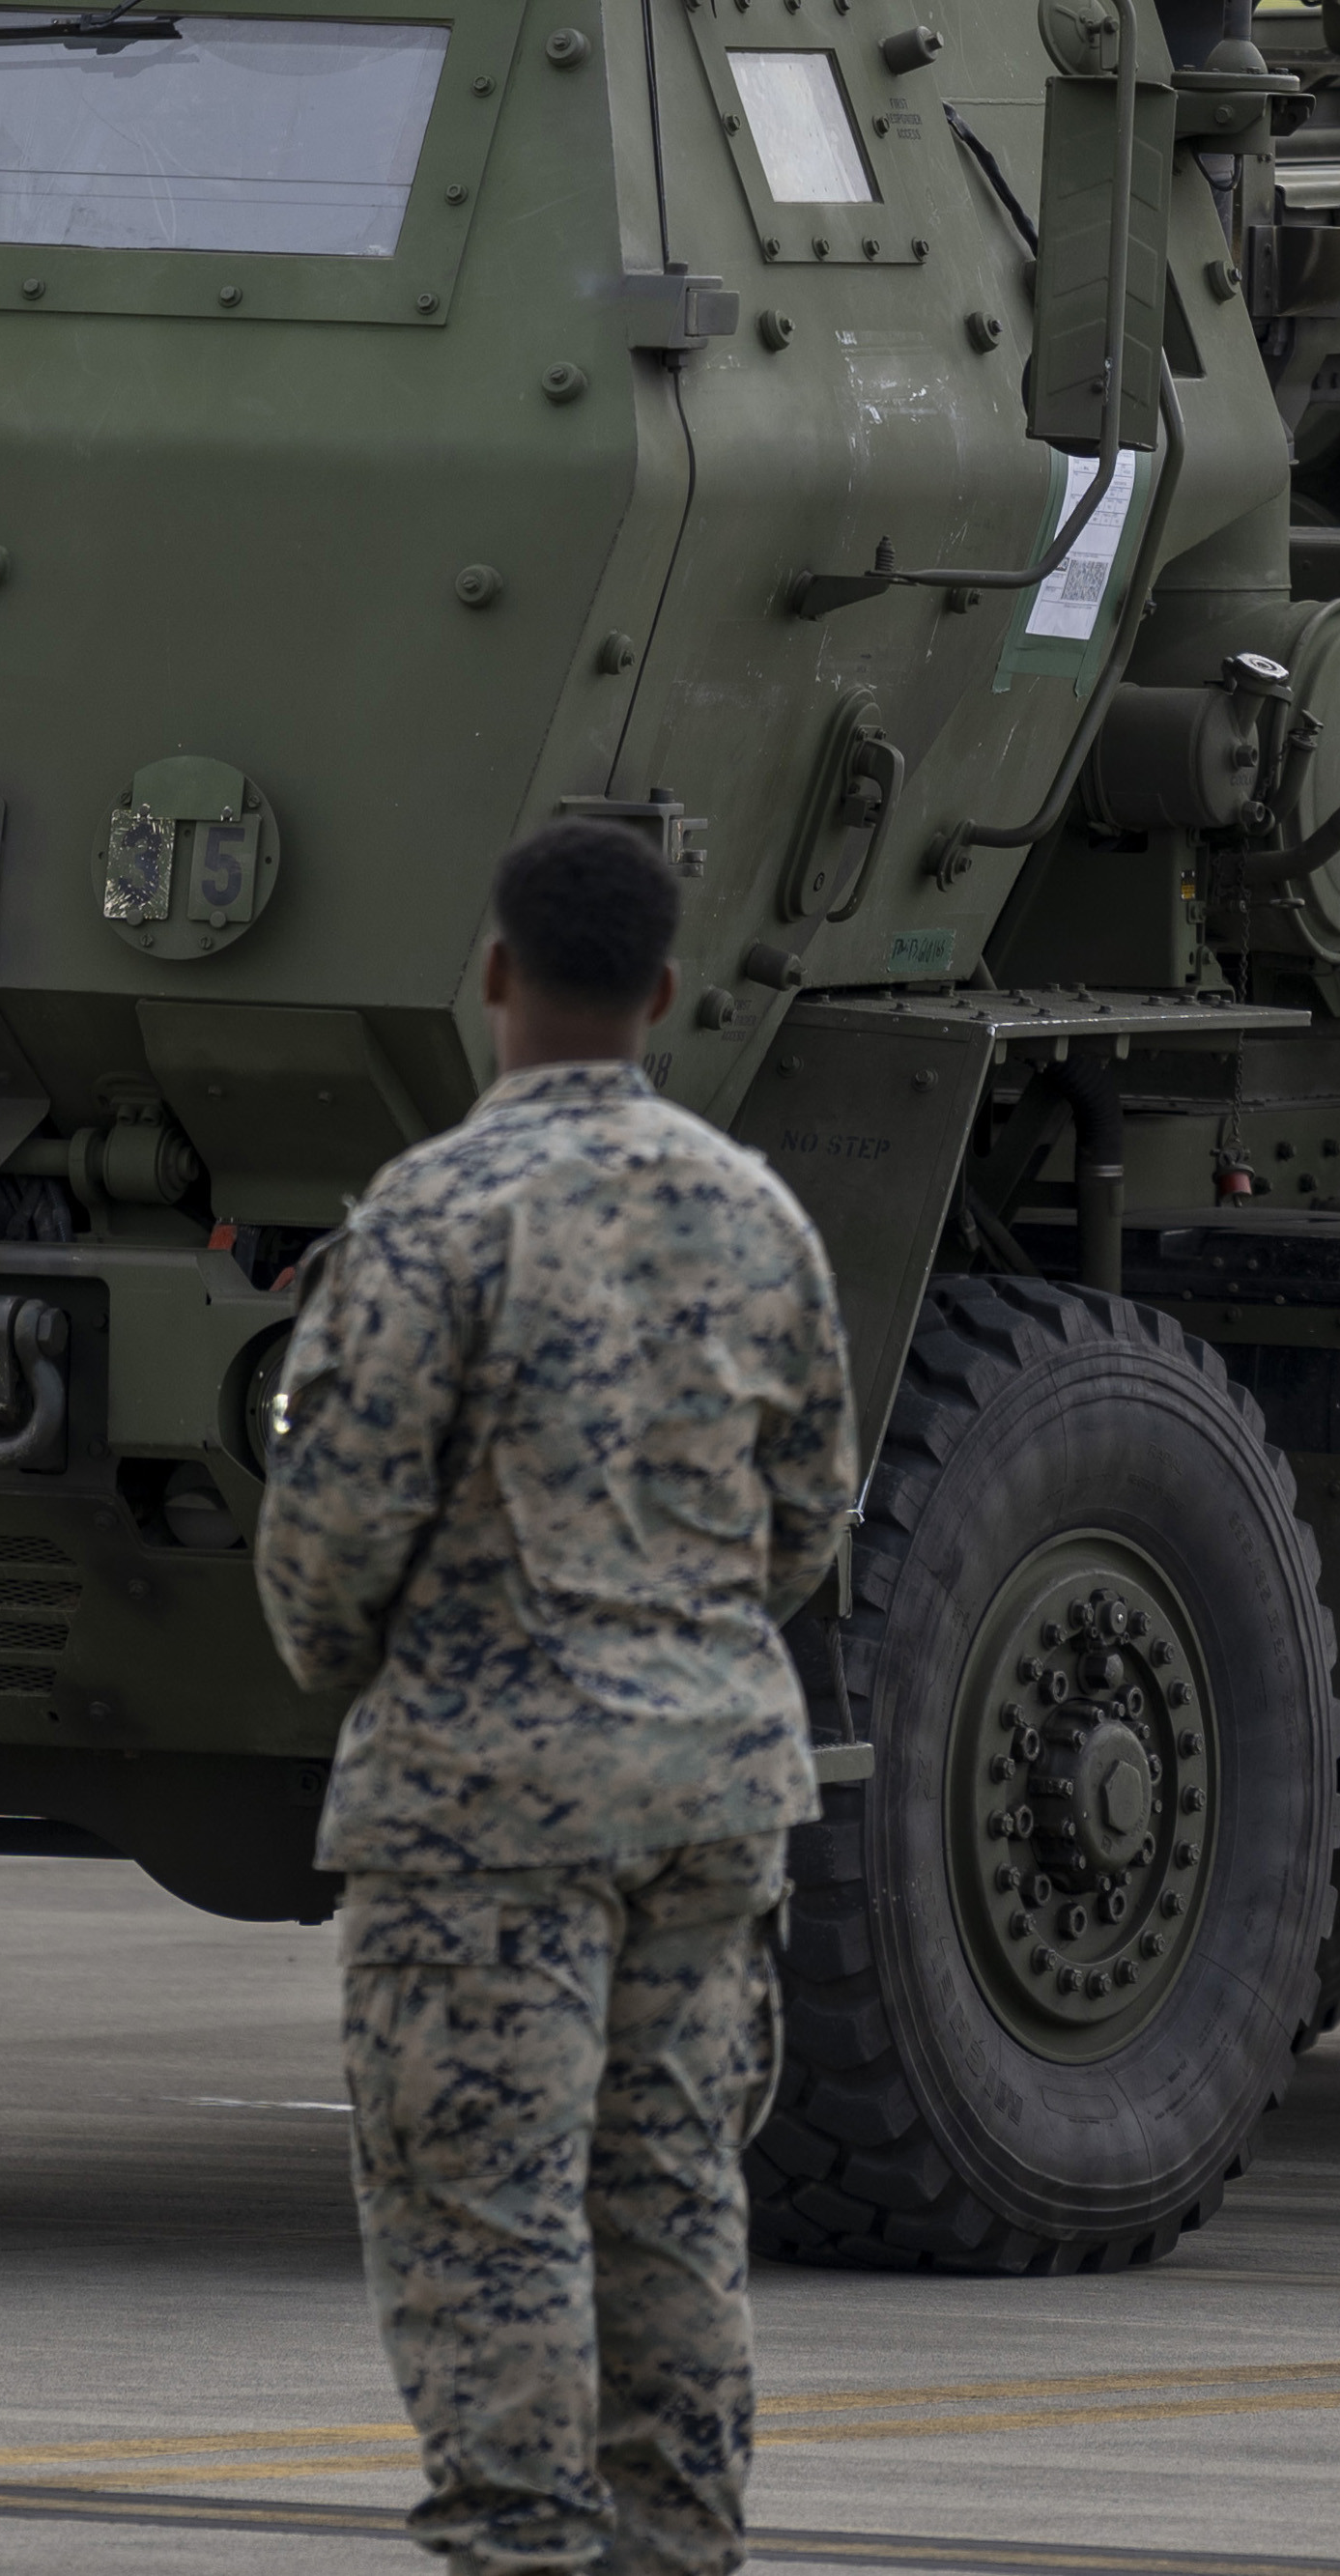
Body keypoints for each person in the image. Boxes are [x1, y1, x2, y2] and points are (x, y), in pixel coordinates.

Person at [253, 818, 860, 2576]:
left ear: (497, 977)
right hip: (711, 1793)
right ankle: (680, 2544)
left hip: (486, 1810)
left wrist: (364, 1665)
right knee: (671, 2190)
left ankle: (522, 2548)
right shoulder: (758, 1217)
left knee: (485, 2209)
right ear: (664, 993)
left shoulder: (433, 1215)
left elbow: (327, 1543)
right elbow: (808, 1515)